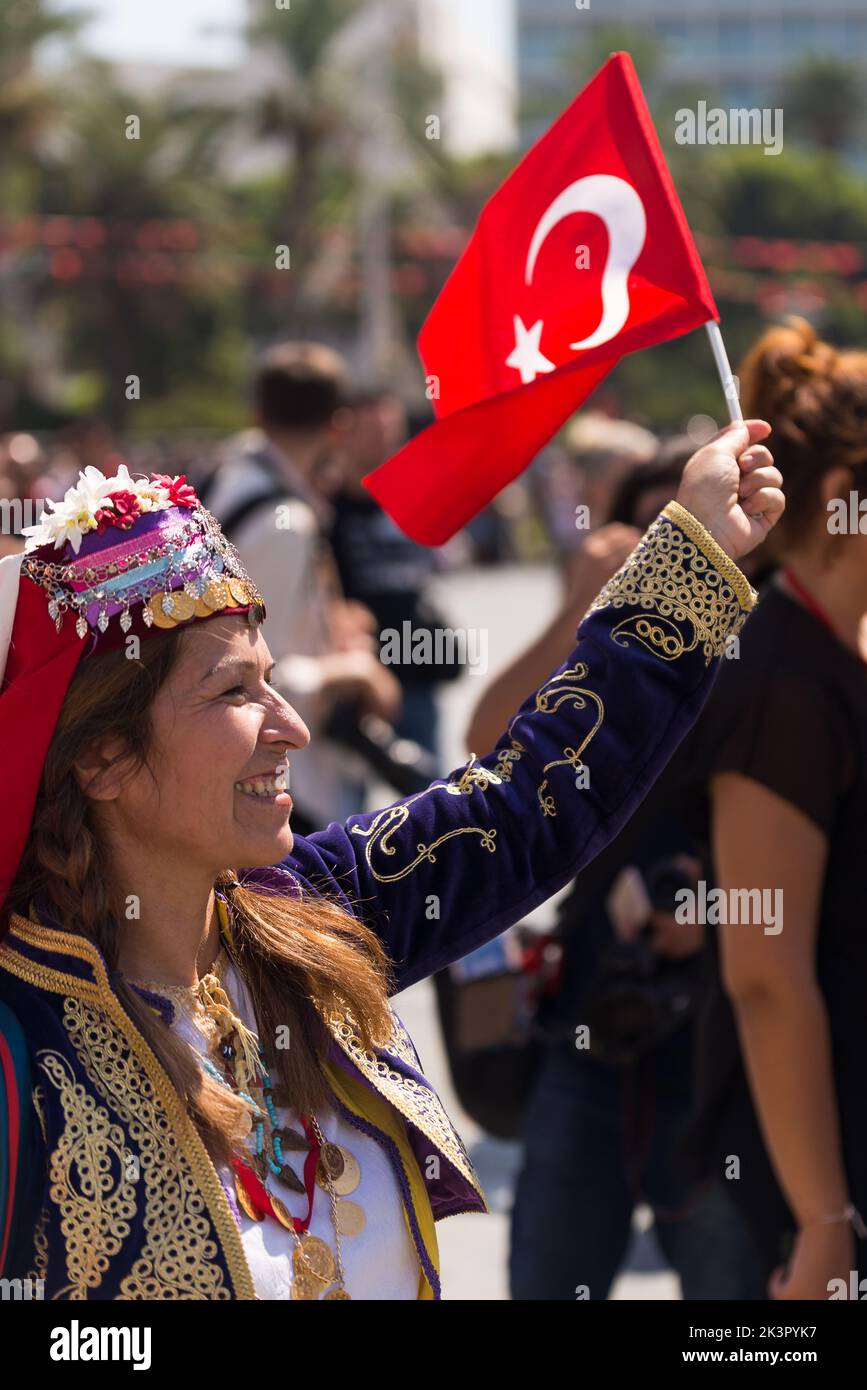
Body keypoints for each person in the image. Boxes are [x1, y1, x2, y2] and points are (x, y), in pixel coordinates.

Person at [0, 420, 781, 1300]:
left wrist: (692, 553)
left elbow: (526, 802)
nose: (289, 727)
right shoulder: (19, 1041)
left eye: (271, 680)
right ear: (100, 758)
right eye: (232, 692)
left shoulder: (307, 913)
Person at [468, 444, 763, 1301]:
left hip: (725, 1045)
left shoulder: (767, 645)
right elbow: (484, 744)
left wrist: (719, 905)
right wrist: (583, 606)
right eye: (656, 533)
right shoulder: (613, 652)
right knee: (552, 1276)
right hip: (592, 1023)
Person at [680, 319, 867, 1301]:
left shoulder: (832, 652)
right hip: (795, 1181)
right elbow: (764, 973)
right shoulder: (784, 681)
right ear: (844, 501)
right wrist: (826, 1222)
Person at [202, 341, 401, 830]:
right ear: (339, 425)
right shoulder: (283, 522)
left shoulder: (228, 477)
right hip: (282, 783)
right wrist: (351, 670)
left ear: (258, 413)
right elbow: (264, 677)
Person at [328, 385, 461, 758]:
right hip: (356, 673)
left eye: (389, 432)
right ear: (345, 435)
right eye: (371, 433)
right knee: (353, 803)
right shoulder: (327, 506)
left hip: (416, 663)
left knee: (430, 788)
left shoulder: (412, 496)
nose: (382, 444)